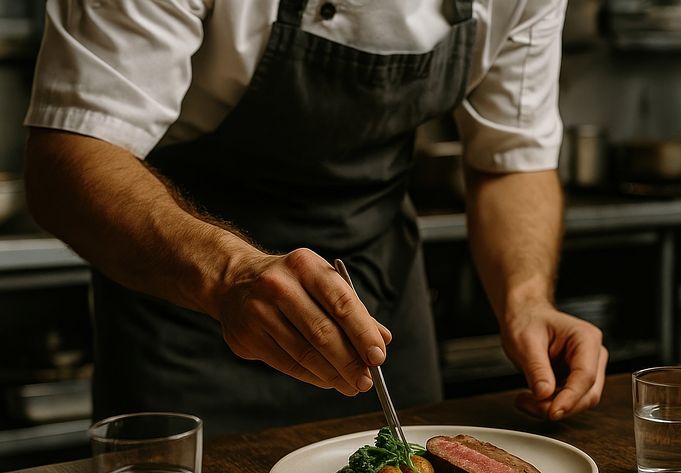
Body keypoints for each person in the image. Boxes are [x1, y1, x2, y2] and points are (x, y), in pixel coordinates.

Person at [22, 0, 608, 436]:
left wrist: (526, 299)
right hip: (188, 312)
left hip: (381, 309)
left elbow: (511, 159)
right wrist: (231, 276)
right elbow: (69, 157)